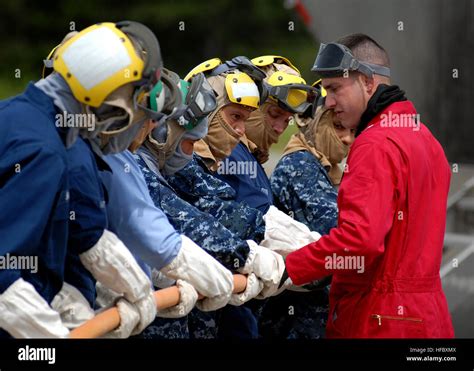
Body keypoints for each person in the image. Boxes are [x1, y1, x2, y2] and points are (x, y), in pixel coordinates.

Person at [284, 33, 454, 338]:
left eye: (335, 88)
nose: (329, 101)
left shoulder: (374, 143)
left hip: (380, 319)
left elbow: (360, 242)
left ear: (366, 82)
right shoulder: (426, 139)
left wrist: (289, 266)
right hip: (430, 318)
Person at [0, 21, 163, 338]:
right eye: (132, 95)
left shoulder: (16, 115)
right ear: (107, 92)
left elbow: (82, 230)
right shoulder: (45, 152)